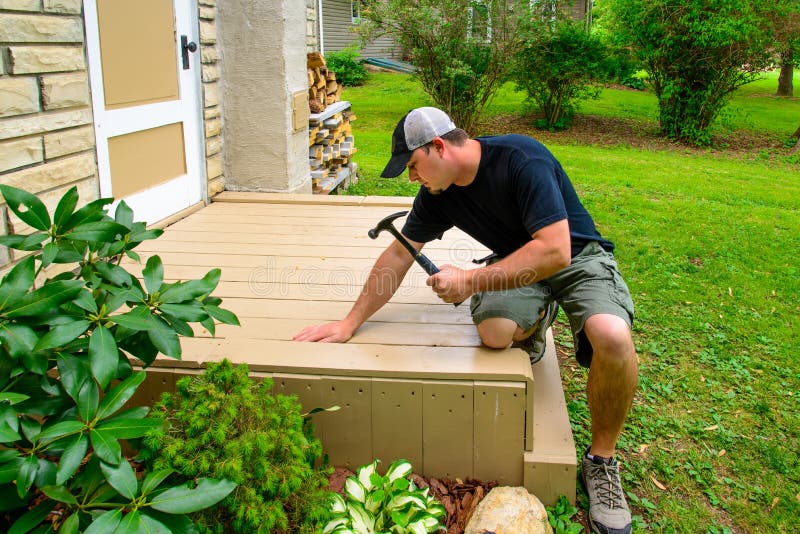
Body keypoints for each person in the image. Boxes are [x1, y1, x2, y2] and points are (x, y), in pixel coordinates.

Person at [293, 107, 638, 534]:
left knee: (613, 336)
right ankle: (538, 314)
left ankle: (601, 461)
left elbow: (555, 251)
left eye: (413, 166)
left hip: (575, 256)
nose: (411, 178)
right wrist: (349, 322)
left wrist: (472, 280)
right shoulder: (440, 194)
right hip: (517, 265)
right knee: (495, 334)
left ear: (438, 147)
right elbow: (399, 254)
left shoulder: (521, 159)